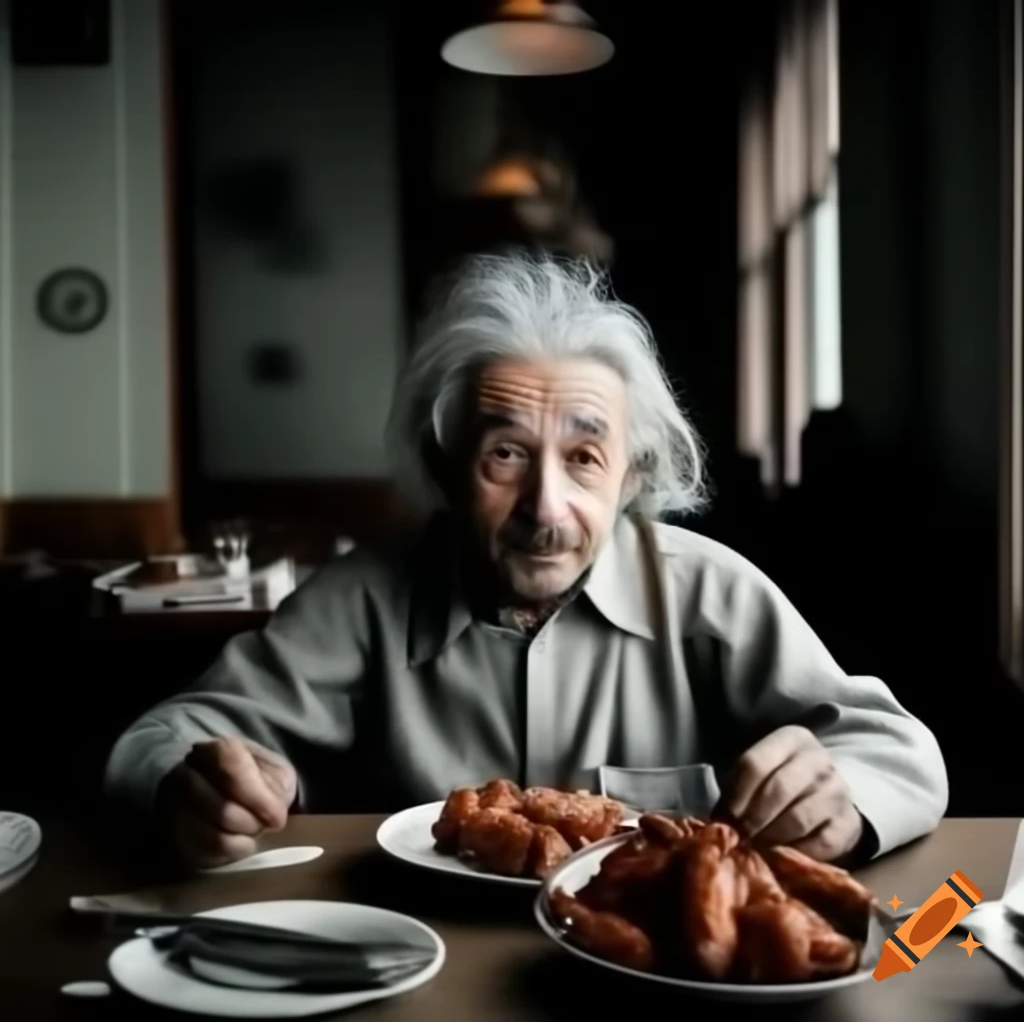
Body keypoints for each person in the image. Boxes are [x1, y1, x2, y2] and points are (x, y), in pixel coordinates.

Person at [105, 252, 948, 871]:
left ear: (631, 477)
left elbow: (898, 750)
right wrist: (191, 789)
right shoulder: (361, 598)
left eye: (585, 459)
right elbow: (162, 737)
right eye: (504, 455)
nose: (546, 507)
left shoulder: (711, 590)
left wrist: (842, 797)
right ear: (443, 468)